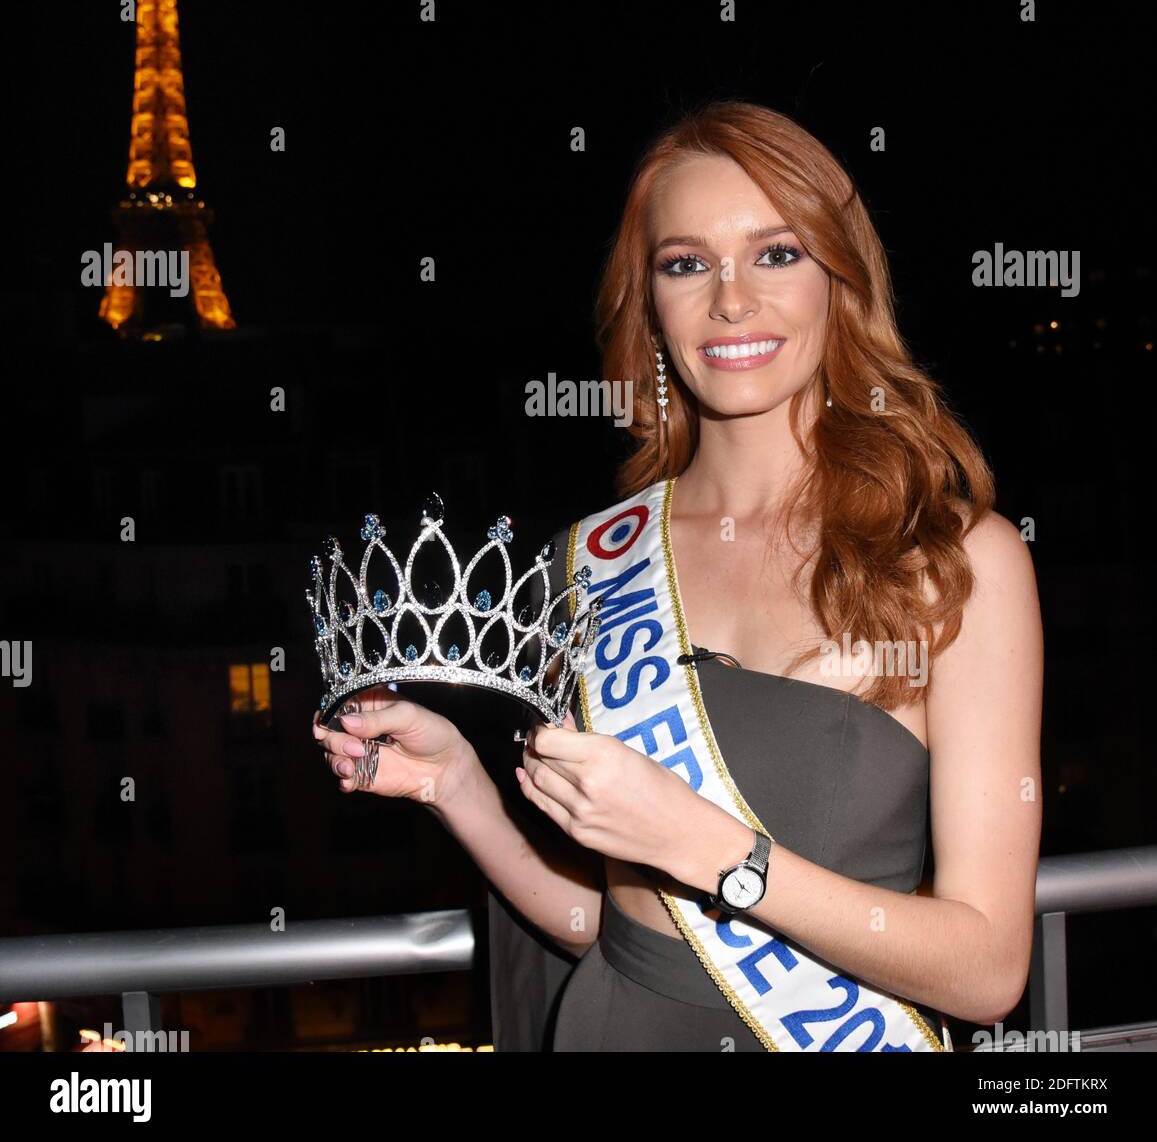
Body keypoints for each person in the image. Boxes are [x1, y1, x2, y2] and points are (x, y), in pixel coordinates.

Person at [312, 100, 1043, 1052]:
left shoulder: (953, 559)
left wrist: (706, 848)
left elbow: (987, 973)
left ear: (839, 281)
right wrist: (459, 788)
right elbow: (614, 930)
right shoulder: (593, 559)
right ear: (649, 305)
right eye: (687, 264)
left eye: (777, 253)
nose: (731, 300)